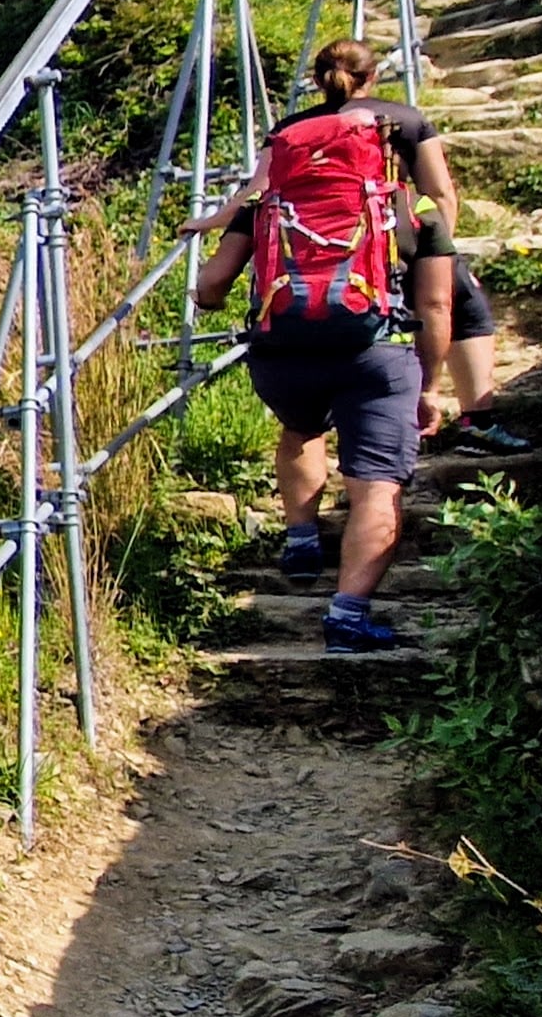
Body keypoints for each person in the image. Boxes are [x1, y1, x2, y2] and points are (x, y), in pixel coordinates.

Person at [193, 38, 460, 653]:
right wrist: (432, 386)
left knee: (301, 428)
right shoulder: (408, 214)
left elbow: (211, 287)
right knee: (375, 486)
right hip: (376, 352)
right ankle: (346, 617)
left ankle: (302, 538)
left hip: (281, 349)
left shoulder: (268, 207)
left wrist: (212, 294)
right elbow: (437, 306)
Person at [411, 207, 530, 455]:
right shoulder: (413, 200)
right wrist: (448, 258)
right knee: (465, 306)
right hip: (395, 213)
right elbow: (440, 190)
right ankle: (476, 425)